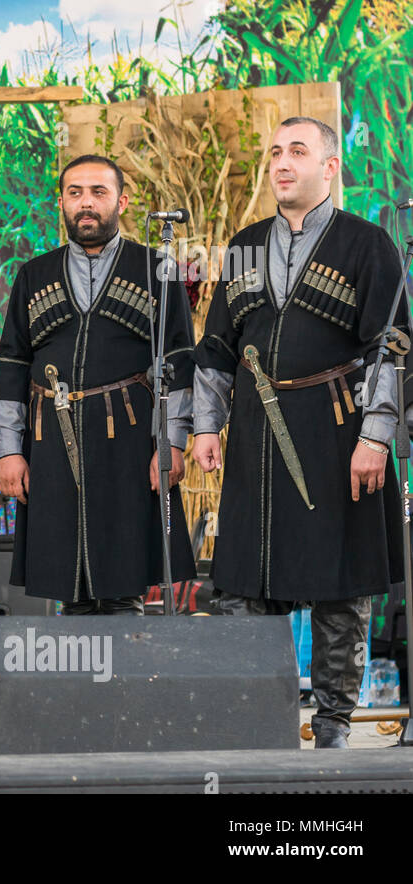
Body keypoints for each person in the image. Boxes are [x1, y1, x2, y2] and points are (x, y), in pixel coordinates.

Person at [192, 117, 405, 749]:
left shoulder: (368, 244)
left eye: (298, 152)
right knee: (245, 579)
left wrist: (375, 436)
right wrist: (206, 426)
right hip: (255, 437)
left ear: (330, 166)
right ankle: (259, 722)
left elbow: (392, 345)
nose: (282, 163)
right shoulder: (244, 246)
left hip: (340, 434)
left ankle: (333, 726)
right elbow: (216, 348)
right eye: (276, 152)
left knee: (342, 583)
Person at [0, 154, 196, 613]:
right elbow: (11, 365)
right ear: (61, 202)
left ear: (122, 202)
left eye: (99, 192)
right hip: (49, 446)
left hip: (128, 445)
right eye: (75, 193)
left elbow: (180, 363)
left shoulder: (157, 269)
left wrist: (172, 443)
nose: (86, 203)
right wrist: (9, 450)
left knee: (124, 581)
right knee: (68, 583)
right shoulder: (32, 275)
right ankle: (79, 662)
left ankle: (125, 661)